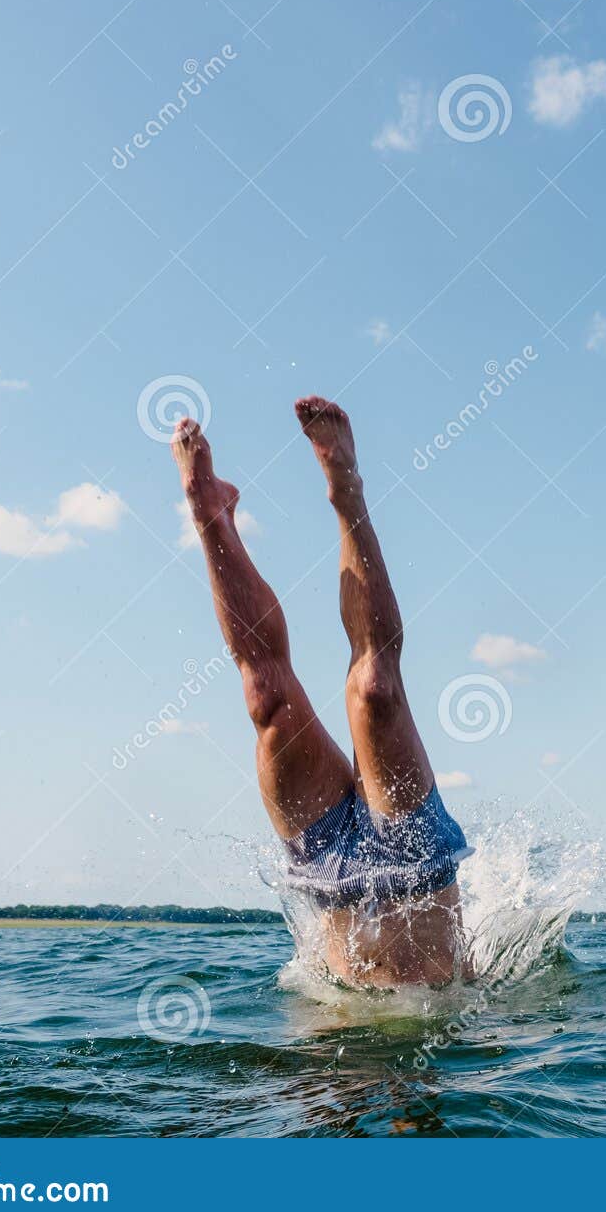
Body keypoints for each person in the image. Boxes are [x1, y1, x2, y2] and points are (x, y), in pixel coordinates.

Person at [171, 396, 471, 987]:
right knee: (294, 696)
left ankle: (343, 494)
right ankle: (211, 513)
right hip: (412, 854)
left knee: (362, 691)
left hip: (334, 865)